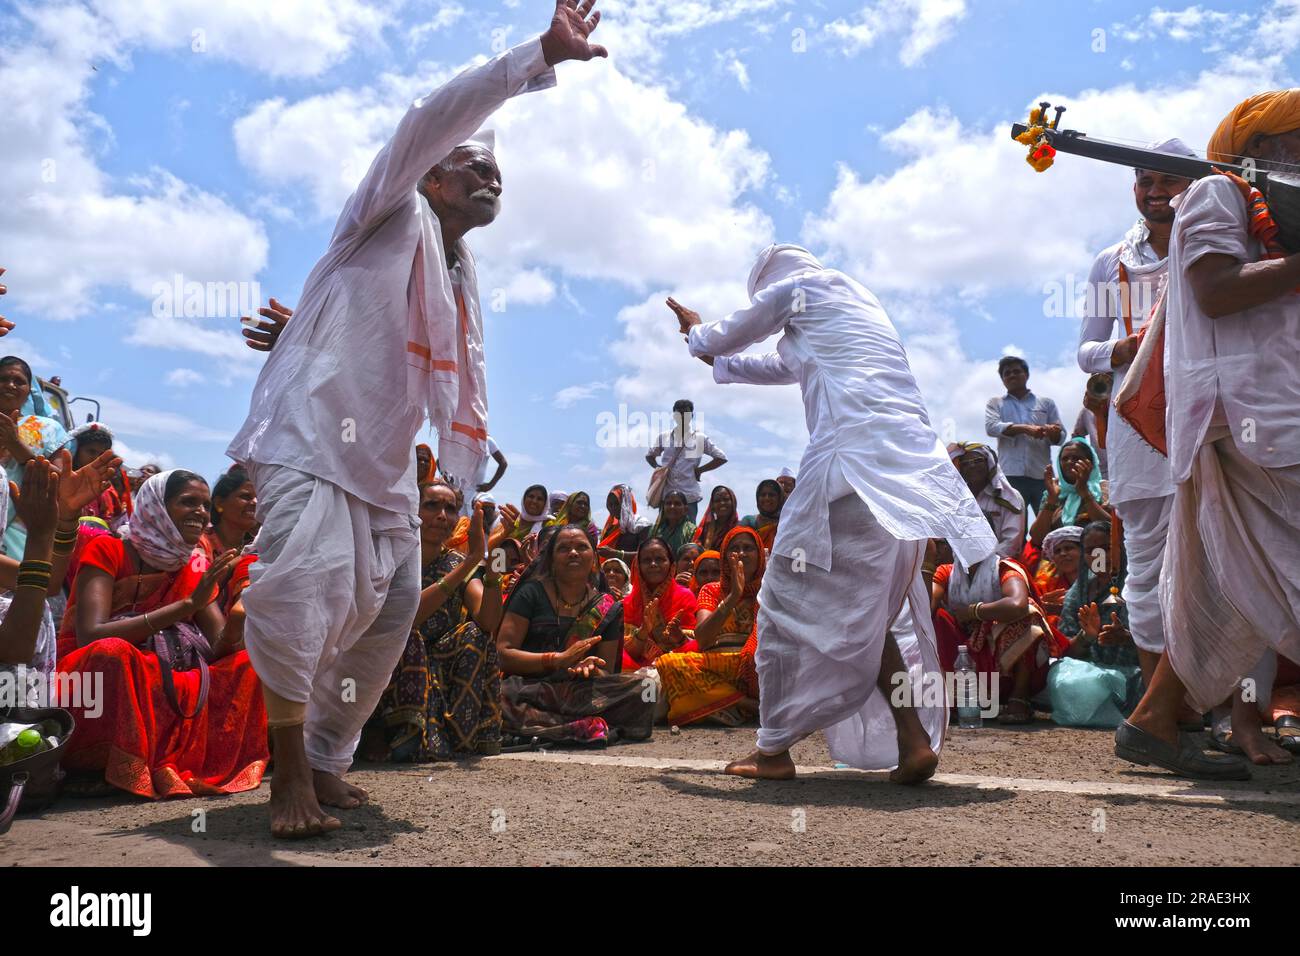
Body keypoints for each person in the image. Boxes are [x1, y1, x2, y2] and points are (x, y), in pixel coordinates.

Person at [224, 1, 609, 837]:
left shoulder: (462, 272)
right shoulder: (386, 207)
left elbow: (376, 339)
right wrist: (537, 55)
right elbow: (429, 116)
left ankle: (327, 759)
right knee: (300, 594)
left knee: (392, 610)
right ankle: (286, 774)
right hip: (312, 439)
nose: (488, 178)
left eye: (495, 172)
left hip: (388, 464)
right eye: (470, 165)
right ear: (429, 172)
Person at [669, 244, 996, 781]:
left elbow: (731, 334)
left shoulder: (808, 289)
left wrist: (698, 331)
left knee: (776, 601)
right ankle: (913, 742)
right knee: (867, 612)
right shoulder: (846, 310)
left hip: (850, 467)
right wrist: (714, 357)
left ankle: (772, 751)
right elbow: (764, 363)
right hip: (906, 475)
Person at [1119, 90, 1300, 777]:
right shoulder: (1218, 196)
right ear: (1263, 150)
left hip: (1273, 417)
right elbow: (1217, 290)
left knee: (1235, 583)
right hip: (1247, 420)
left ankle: (1156, 719)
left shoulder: (1274, 213)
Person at [55, 470, 266, 798]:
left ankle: (196, 761)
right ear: (156, 507)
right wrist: (185, 607)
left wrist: (241, 618)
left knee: (247, 665)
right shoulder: (108, 549)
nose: (200, 512)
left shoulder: (190, 566)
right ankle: (96, 764)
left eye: (205, 505)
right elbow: (90, 635)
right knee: (114, 653)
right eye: (188, 502)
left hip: (163, 666)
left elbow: (219, 646)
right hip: (90, 669)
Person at [1078, 139, 1197, 696]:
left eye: (1168, 182)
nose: (1156, 193)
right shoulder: (1112, 262)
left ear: (1193, 186)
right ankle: (1160, 711)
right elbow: (1087, 351)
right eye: (1145, 182)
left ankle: (1224, 712)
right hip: (1138, 431)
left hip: (1208, 420)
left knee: (1220, 567)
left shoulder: (1219, 244)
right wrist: (1123, 351)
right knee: (1147, 571)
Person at [365, 481, 502, 761]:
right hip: (388, 657)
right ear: (413, 510)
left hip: (439, 662)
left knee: (476, 635)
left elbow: (487, 621)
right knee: (408, 634)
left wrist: (492, 562)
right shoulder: (394, 556)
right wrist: (470, 562)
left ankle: (459, 734)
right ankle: (383, 728)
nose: (442, 515)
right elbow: (408, 616)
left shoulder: (456, 562)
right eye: (432, 506)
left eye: (450, 509)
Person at [497, 525, 653, 745]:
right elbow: (503, 654)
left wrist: (590, 668)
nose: (573, 553)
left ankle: (549, 727)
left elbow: (607, 671)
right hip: (529, 688)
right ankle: (581, 726)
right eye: (563, 548)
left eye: (581, 547)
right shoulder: (530, 593)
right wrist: (557, 660)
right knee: (495, 695)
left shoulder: (608, 607)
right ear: (551, 559)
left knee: (646, 689)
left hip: (577, 691)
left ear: (593, 558)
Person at [931, 551, 1063, 725]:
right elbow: (926, 606)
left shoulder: (1003, 568)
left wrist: (974, 611)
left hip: (1000, 659)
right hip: (963, 655)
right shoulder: (947, 571)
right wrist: (926, 563)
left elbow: (1018, 603)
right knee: (938, 617)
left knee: (1028, 611)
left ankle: (1019, 697)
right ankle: (958, 699)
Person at [655, 525, 765, 726]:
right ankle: (751, 706)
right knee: (670, 664)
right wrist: (732, 598)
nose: (741, 553)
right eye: (735, 548)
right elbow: (704, 639)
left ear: (759, 555)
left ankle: (721, 703)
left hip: (760, 665)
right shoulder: (711, 590)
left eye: (748, 548)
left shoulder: (770, 589)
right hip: (718, 666)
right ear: (725, 555)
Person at [1048, 520, 1141, 728]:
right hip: (1091, 672)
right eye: (1091, 550)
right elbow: (1068, 651)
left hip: (1134, 672)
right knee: (1062, 675)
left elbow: (1159, 642)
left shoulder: (1136, 584)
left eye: (1106, 548)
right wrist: (1087, 636)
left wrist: (1125, 638)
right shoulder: (1079, 591)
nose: (1100, 556)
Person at [0, 355, 70, 559]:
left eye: (19, 381)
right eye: (3, 379)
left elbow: (63, 484)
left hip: (19, 540)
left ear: (29, 389)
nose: (10, 385)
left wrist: (17, 447)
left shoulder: (48, 429)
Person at [984, 356, 1065, 516]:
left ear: (1026, 375)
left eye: (1016, 371)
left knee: (1052, 522)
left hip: (1042, 476)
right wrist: (1026, 429)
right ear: (1003, 379)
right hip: (1010, 476)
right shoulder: (996, 403)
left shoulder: (1046, 403)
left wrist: (1053, 432)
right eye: (1007, 373)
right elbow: (991, 427)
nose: (1012, 375)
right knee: (1014, 528)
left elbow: (1061, 437)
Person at [621, 536, 697, 670]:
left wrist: (678, 637)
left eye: (660, 559)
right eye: (646, 560)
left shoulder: (685, 596)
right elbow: (629, 653)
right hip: (638, 669)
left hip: (676, 666)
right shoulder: (628, 603)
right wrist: (643, 632)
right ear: (638, 566)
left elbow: (693, 648)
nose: (653, 564)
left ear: (672, 565)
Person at [645, 398, 727, 523]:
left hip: (689, 496)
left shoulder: (700, 438)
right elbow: (650, 456)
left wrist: (700, 470)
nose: (683, 416)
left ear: (692, 415)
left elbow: (721, 457)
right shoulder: (664, 436)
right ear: (674, 415)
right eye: (679, 413)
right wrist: (659, 470)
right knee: (664, 533)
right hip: (667, 495)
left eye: (686, 413)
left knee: (688, 534)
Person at [1027, 437, 1110, 546]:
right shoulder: (1054, 492)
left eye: (1076, 458)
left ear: (1090, 462)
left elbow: (1111, 530)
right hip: (1060, 559)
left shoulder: (1104, 489)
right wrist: (1051, 500)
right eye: (1065, 459)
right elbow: (1038, 538)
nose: (1070, 462)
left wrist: (1084, 492)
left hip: (1096, 558)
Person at [947, 442, 1025, 558]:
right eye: (965, 464)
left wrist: (984, 562)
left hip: (1000, 566)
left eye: (977, 461)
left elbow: (1011, 543)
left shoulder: (1008, 497)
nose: (972, 466)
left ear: (988, 463)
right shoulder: (957, 500)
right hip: (961, 565)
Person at [1033, 525, 1083, 623]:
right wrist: (1041, 605)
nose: (1062, 554)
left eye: (1068, 548)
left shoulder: (1100, 579)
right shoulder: (1045, 586)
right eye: (1057, 551)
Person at [597, 483, 649, 563]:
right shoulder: (610, 529)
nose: (613, 508)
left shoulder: (640, 524)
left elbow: (646, 555)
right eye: (610, 504)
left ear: (627, 503)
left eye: (617, 503)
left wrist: (616, 554)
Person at [648, 490, 696, 557]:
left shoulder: (692, 531)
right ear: (663, 508)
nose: (672, 507)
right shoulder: (654, 530)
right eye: (668, 503)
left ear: (686, 509)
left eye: (677, 504)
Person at [739, 479, 784, 551]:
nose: (767, 498)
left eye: (772, 495)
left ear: (780, 498)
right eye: (763, 495)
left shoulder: (785, 522)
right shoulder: (749, 521)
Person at [691, 484, 738, 551]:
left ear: (733, 502)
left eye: (726, 499)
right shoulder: (705, 528)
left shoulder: (739, 527)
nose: (722, 503)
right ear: (712, 506)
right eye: (717, 501)